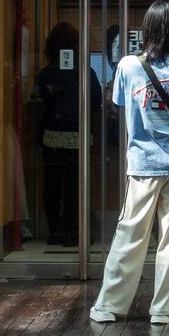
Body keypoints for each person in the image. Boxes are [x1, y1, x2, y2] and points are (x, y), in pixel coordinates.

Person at [89, 0, 169, 325]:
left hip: (142, 164)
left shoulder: (127, 65)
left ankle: (109, 305)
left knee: (130, 232)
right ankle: (164, 309)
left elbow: (118, 103)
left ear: (146, 31)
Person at [35, 22, 100, 247]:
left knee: (52, 187)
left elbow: (38, 101)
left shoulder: (46, 74)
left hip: (52, 136)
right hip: (79, 137)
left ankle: (55, 231)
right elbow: (96, 102)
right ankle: (75, 231)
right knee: (75, 187)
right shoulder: (87, 72)